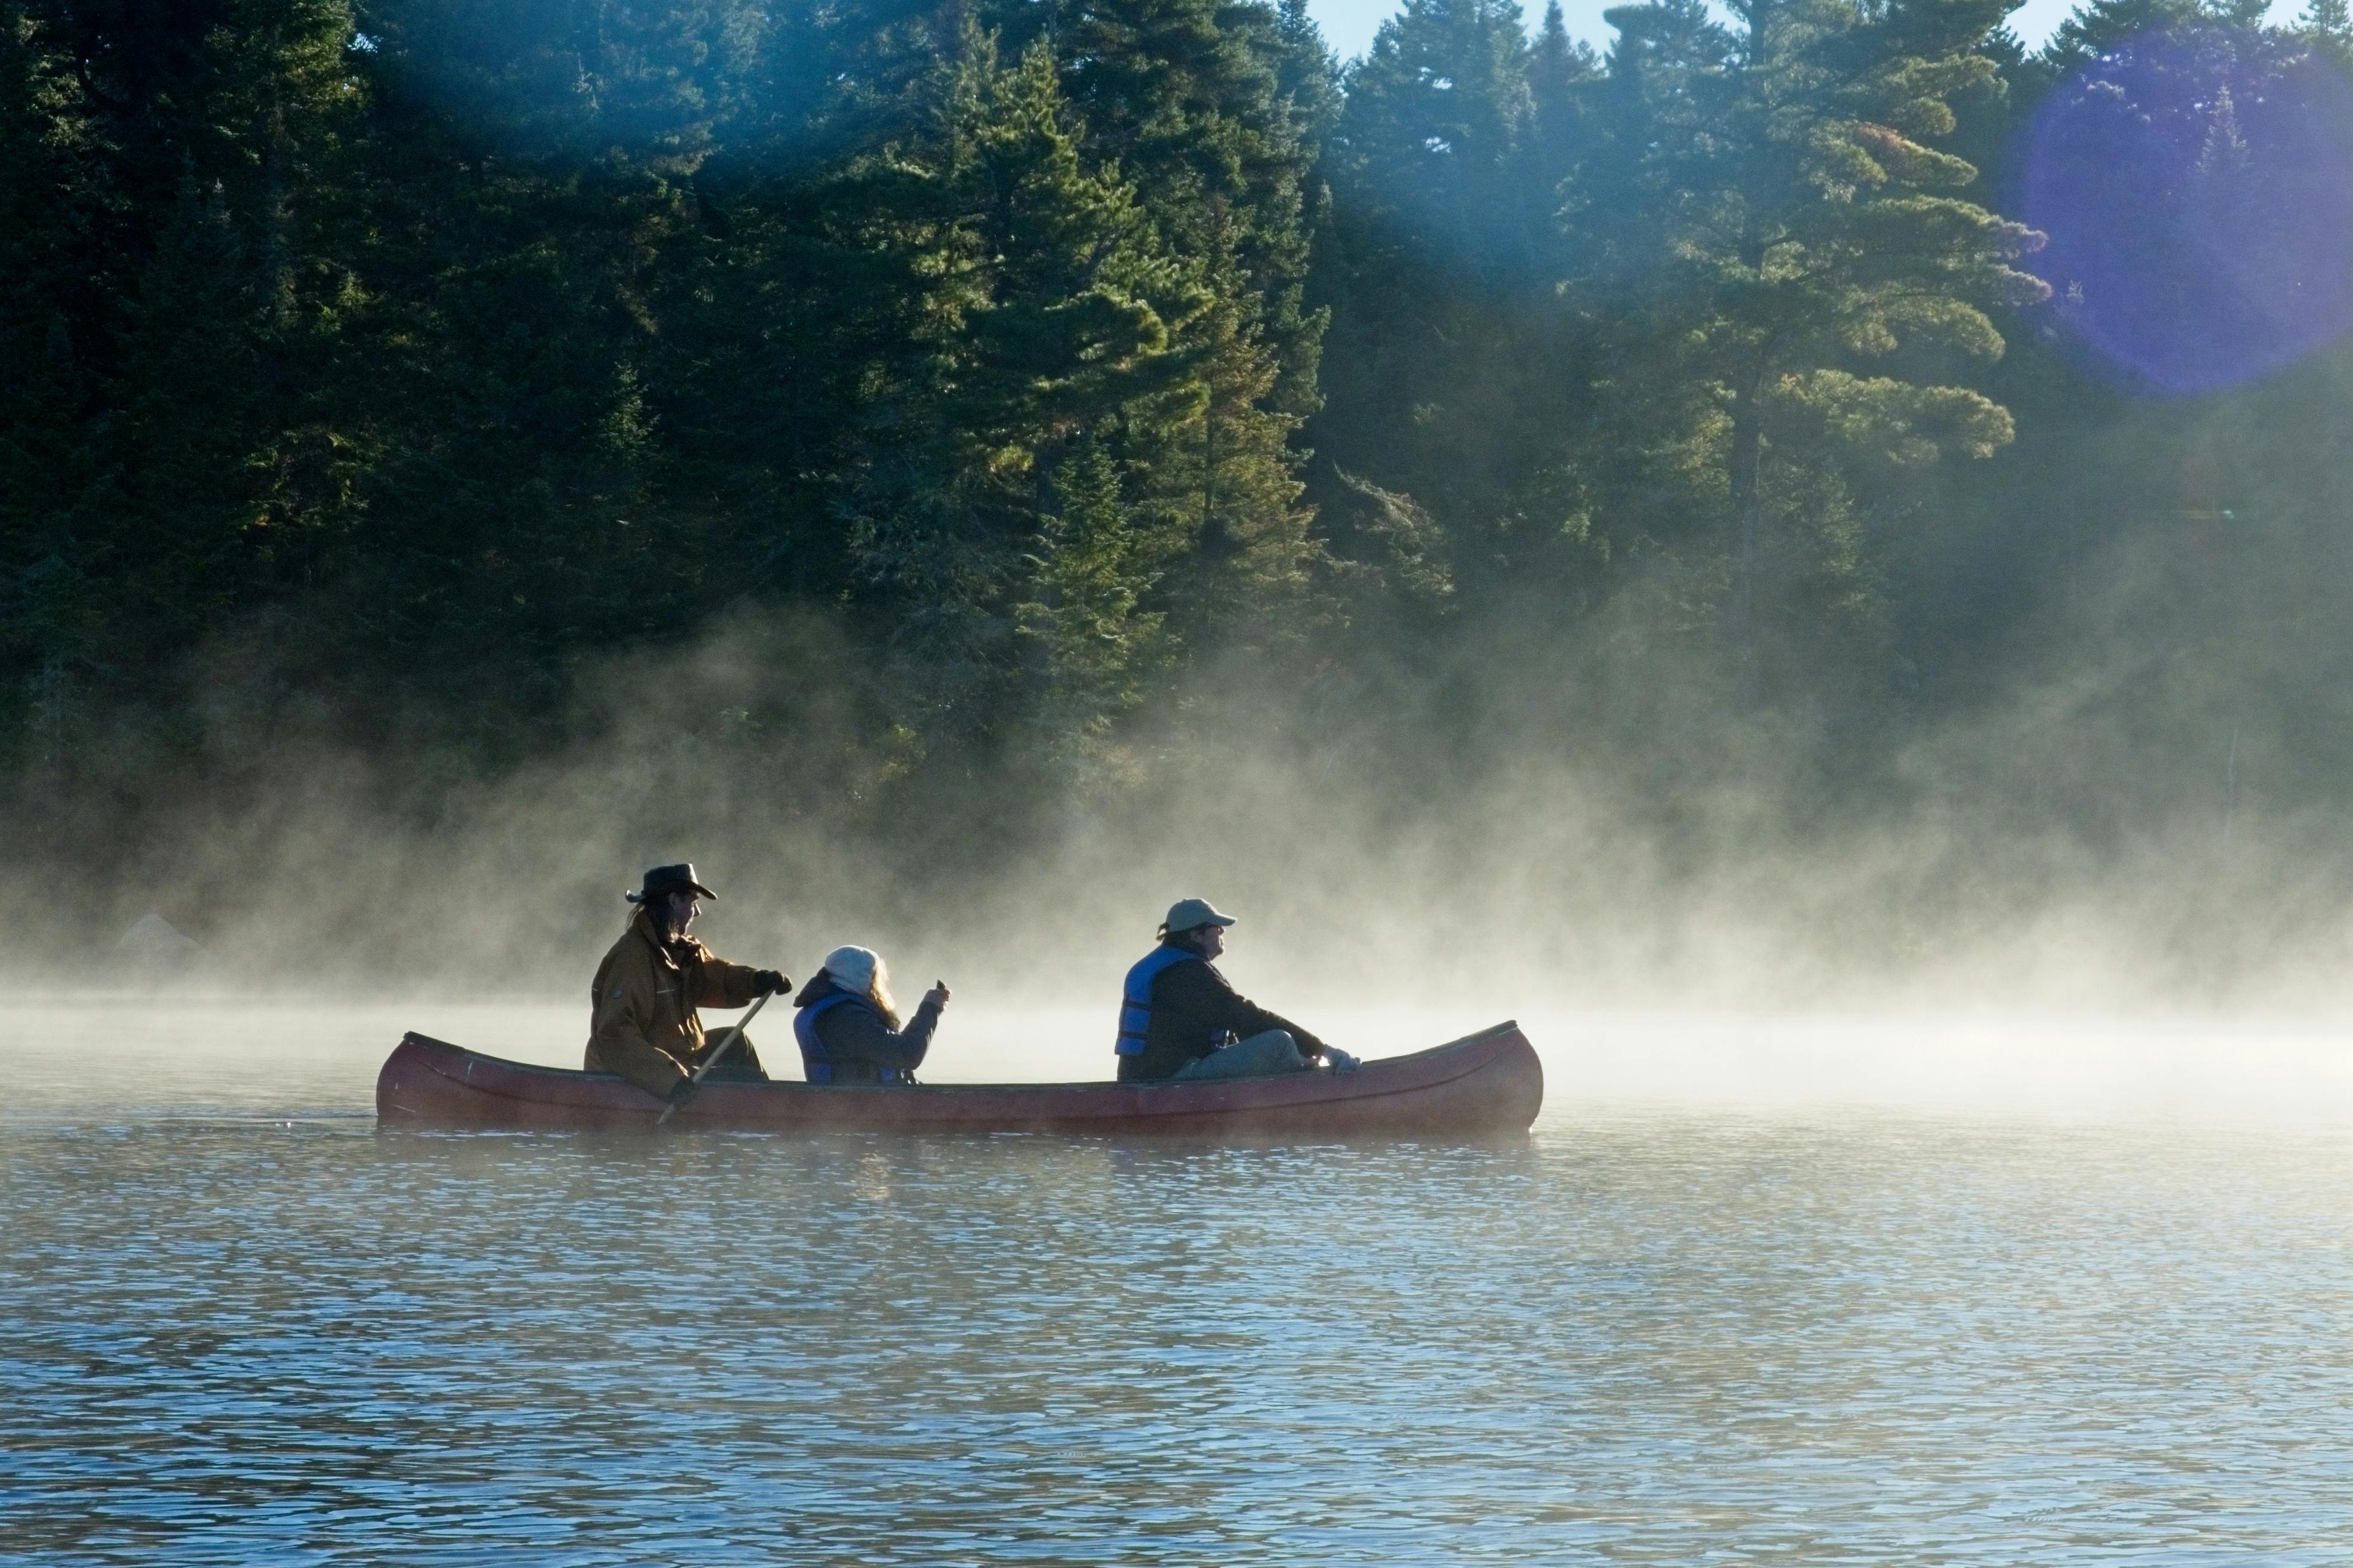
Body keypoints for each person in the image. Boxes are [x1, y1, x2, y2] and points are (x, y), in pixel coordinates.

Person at [584, 863, 790, 1108]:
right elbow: (615, 1036)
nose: (697, 912)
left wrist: (757, 981)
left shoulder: (680, 949)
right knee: (745, 1080)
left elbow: (712, 978)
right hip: (640, 1076)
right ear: (674, 901)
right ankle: (770, 1114)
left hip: (678, 1058)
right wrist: (672, 1081)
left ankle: (773, 1112)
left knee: (737, 1043)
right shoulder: (632, 959)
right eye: (692, 903)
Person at [1114, 898, 1356, 1082]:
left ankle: (1299, 1074)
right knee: (1279, 1043)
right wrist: (1323, 1050)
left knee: (1276, 1048)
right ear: (1196, 935)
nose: (1223, 932)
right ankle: (1311, 1088)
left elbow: (1237, 1025)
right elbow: (1245, 1016)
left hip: (1160, 1075)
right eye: (1217, 928)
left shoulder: (1174, 967)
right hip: (1169, 1080)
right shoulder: (1185, 974)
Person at [793, 945, 950, 1084]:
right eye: (876, 977)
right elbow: (908, 1055)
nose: (879, 985)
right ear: (863, 978)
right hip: (862, 1102)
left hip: (846, 1099)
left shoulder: (832, 1009)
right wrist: (930, 1008)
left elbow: (897, 1048)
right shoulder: (848, 1018)